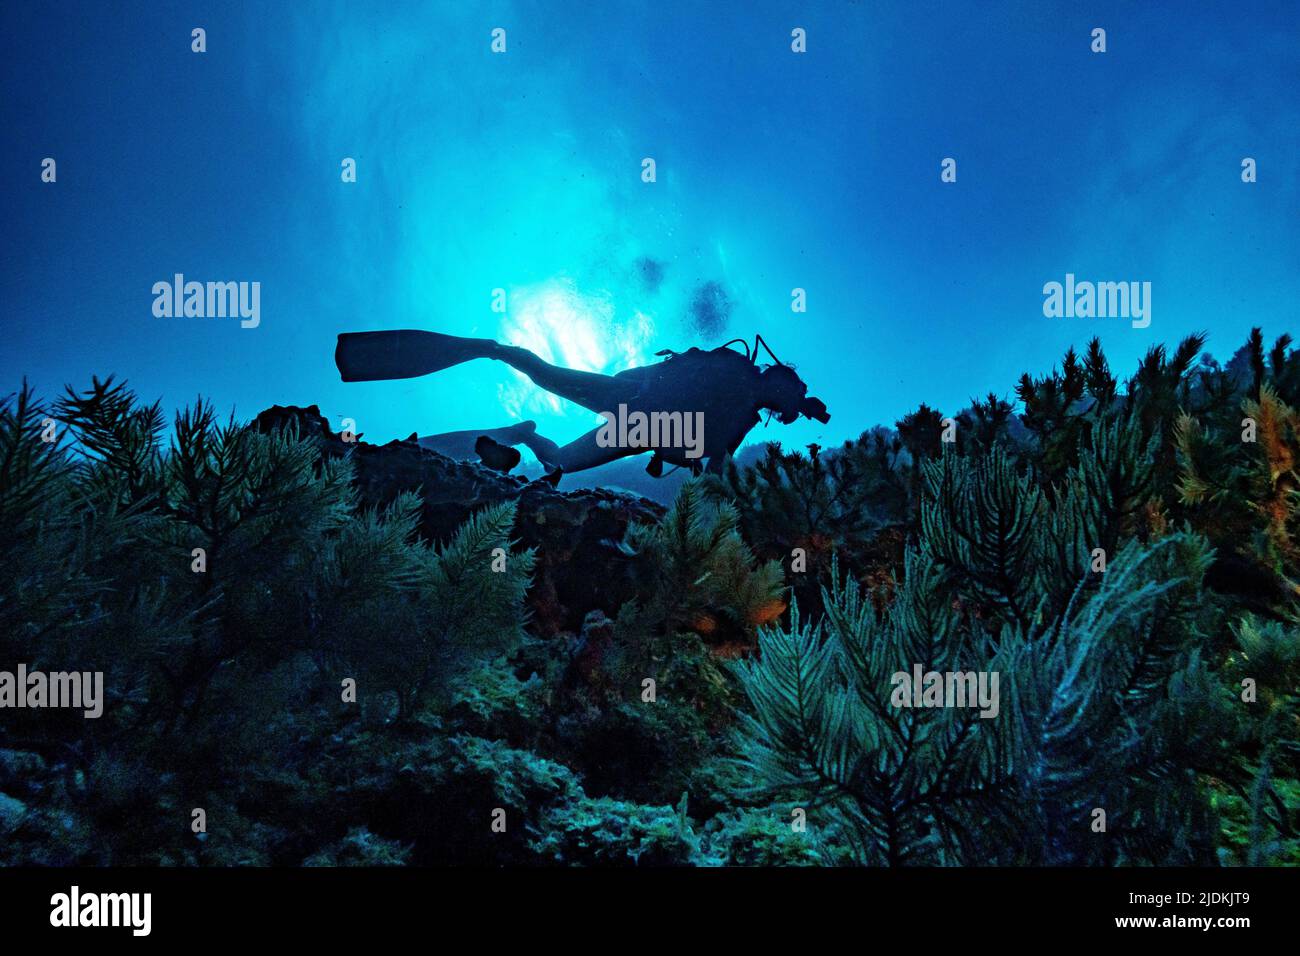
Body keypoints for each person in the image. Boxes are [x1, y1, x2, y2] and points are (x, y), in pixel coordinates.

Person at [334, 329, 829, 479]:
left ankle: (523, 432)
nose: (780, 409)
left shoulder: (741, 414)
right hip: (629, 400)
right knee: (535, 368)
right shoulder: (734, 375)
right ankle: (491, 349)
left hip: (634, 429)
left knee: (559, 464)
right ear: (775, 381)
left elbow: (712, 460)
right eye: (783, 399)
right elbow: (711, 458)